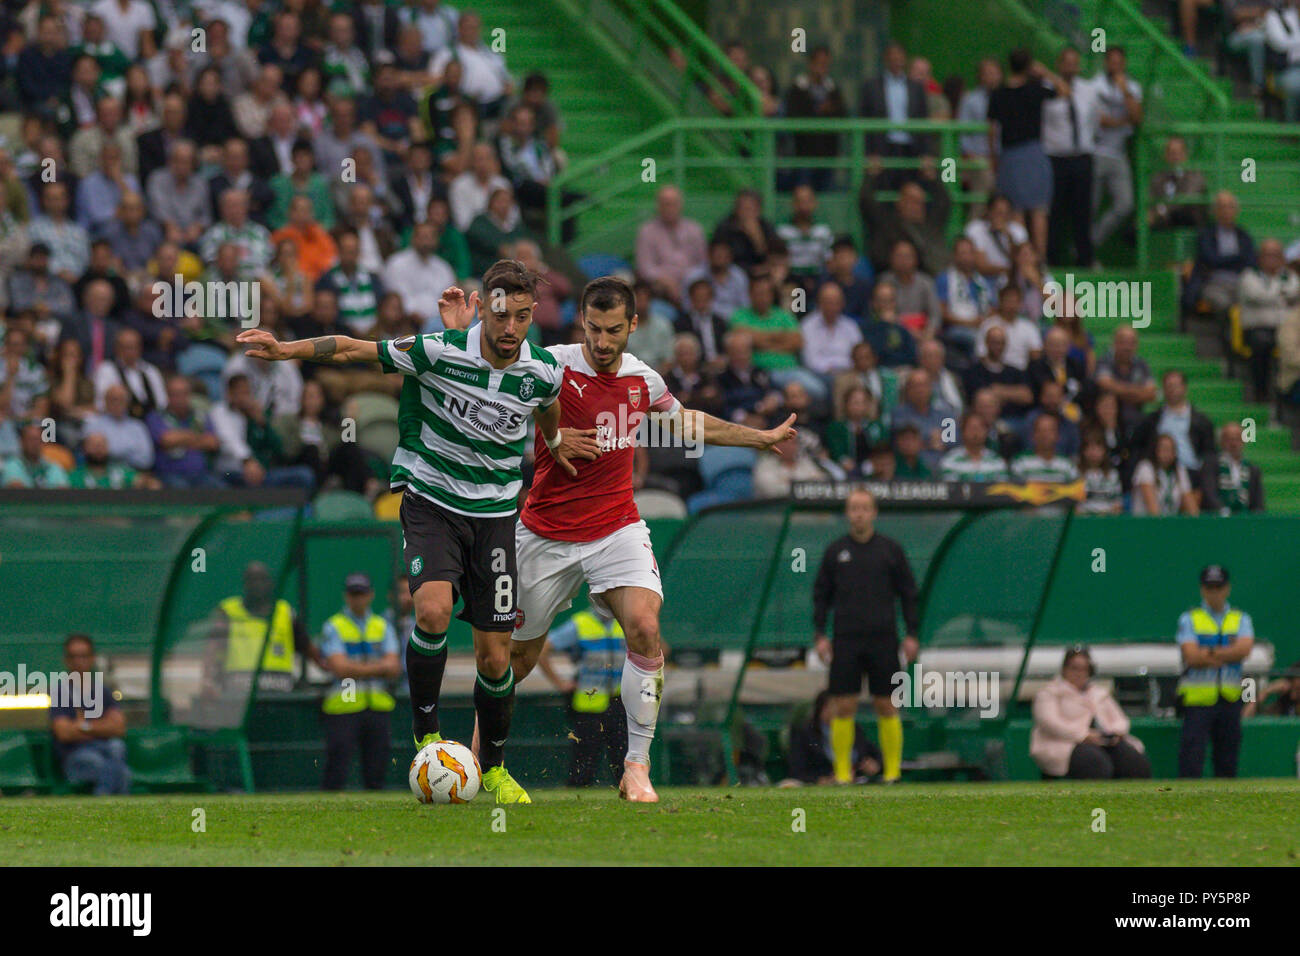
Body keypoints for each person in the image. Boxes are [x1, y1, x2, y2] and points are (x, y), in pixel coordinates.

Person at [236, 259, 570, 805]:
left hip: (495, 516)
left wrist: (555, 445)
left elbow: (549, 408)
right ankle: (428, 735)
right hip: (432, 502)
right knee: (433, 612)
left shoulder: (542, 370)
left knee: (495, 656)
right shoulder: (439, 351)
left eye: (525, 317)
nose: (512, 329)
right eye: (503, 315)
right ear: (484, 309)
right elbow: (351, 349)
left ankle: (496, 770)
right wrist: (287, 349)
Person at [453, 275, 795, 802]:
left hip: (616, 527)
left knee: (644, 627)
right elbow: (490, 364)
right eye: (594, 328)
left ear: (633, 325)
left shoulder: (644, 380)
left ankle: (636, 767)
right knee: (512, 661)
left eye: (614, 330)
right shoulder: (553, 364)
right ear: (581, 324)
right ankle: (476, 759)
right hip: (544, 532)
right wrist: (461, 327)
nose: (603, 341)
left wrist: (760, 437)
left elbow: (686, 424)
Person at [812, 487, 919, 784]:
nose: (859, 513)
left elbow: (909, 593)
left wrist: (911, 633)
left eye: (864, 508)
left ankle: (893, 773)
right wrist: (821, 634)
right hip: (846, 638)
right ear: (847, 513)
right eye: (853, 508)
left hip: (884, 637)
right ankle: (843, 775)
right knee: (843, 705)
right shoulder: (835, 552)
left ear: (873, 512)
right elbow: (821, 596)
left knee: (886, 703)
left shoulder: (890, 550)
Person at [320, 573, 401, 791]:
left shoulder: (382, 625)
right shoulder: (334, 625)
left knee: (377, 768)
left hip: (377, 705)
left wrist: (355, 668)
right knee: (338, 763)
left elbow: (394, 667)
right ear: (346, 596)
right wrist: (378, 667)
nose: (358, 599)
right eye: (354, 594)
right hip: (344, 705)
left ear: (371, 595)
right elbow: (339, 668)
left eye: (362, 594)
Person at [986, 49, 1069, 257]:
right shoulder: (1035, 89)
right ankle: (1039, 260)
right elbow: (1064, 90)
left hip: (1010, 155)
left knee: (1017, 212)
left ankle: (1018, 259)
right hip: (1033, 153)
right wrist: (1045, 73)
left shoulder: (999, 93)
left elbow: (992, 129)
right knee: (1039, 211)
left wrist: (993, 156)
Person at [534, 609, 628, 787]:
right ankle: (577, 793)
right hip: (588, 705)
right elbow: (543, 650)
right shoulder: (580, 624)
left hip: (620, 701)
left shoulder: (625, 622)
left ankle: (629, 791)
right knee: (584, 760)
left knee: (623, 758)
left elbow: (659, 648)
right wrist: (560, 683)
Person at [1176, 565, 1255, 778]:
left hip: (1229, 699)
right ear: (1203, 589)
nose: (1214, 593)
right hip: (1198, 701)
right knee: (1191, 758)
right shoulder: (1189, 618)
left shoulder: (1241, 618)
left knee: (1227, 760)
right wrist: (1228, 652)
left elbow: (1245, 649)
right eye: (1210, 587)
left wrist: (1208, 653)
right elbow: (1191, 656)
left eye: (1218, 587)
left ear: (1227, 589)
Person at [1030, 646, 1150, 780]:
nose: (1079, 673)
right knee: (1095, 763)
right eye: (1074, 668)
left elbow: (1121, 720)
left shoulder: (1099, 693)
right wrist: (1084, 735)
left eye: (1084, 669)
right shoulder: (1050, 693)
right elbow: (1050, 722)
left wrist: (1113, 733)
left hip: (1104, 742)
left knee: (1134, 762)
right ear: (1064, 669)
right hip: (1068, 745)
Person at [50, 634, 131, 795]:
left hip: (106, 751)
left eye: (84, 656)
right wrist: (102, 728)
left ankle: (102, 799)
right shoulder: (60, 693)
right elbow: (64, 733)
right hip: (77, 756)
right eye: (74, 656)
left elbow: (119, 728)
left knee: (117, 746)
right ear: (66, 660)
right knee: (119, 770)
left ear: (92, 658)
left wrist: (83, 726)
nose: (79, 661)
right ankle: (108, 803)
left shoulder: (103, 692)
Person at [1089, 46, 1143, 252]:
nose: (1115, 66)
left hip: (1118, 155)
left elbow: (1137, 119)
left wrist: (1125, 92)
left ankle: (1091, 242)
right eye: (1112, 61)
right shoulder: (1095, 85)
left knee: (1125, 205)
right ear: (1105, 63)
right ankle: (1085, 254)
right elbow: (1100, 121)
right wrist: (1124, 121)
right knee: (1090, 207)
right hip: (1095, 152)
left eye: (1119, 62)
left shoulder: (1132, 87)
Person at [1237, 238, 1300, 400]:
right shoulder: (1249, 276)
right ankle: (1261, 391)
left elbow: (1294, 293)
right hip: (1258, 328)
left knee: (1292, 345)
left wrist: (1272, 296)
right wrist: (1283, 296)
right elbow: (1256, 295)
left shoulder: (1290, 276)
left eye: (1276, 255)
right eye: (1268, 255)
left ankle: (1288, 390)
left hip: (1288, 329)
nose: (1272, 259)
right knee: (1261, 343)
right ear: (1260, 257)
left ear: (1282, 258)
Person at [784, 690, 883, 785]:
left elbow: (876, 755)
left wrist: (874, 765)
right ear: (822, 708)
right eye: (836, 705)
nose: (842, 710)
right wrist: (822, 780)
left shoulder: (854, 729)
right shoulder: (805, 733)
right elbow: (797, 771)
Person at [1213, 421, 1265, 514]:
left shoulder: (1252, 469)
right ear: (1221, 442)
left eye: (1237, 439)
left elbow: (1258, 503)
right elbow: (1210, 494)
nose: (1234, 444)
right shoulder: (1212, 465)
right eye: (1229, 439)